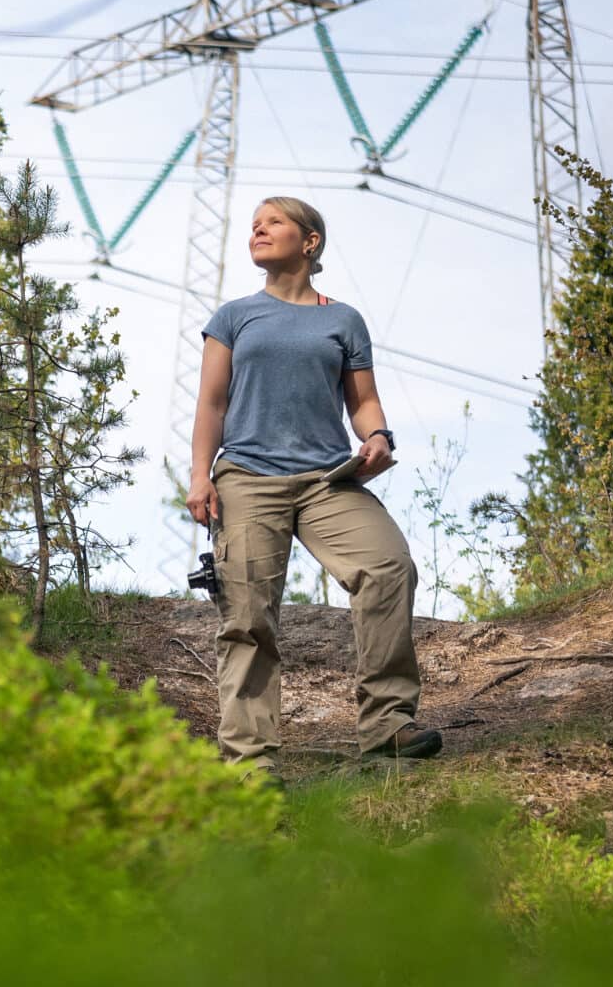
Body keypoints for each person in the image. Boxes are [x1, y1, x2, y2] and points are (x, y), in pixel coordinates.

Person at [185, 196, 440, 785]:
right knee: (247, 614)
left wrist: (376, 436)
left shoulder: (342, 320)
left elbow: (364, 401)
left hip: (328, 479)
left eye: (273, 221)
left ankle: (386, 729)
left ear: (310, 242)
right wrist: (201, 474)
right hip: (247, 475)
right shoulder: (234, 316)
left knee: (388, 566)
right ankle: (251, 765)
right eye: (255, 223)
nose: (258, 228)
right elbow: (212, 402)